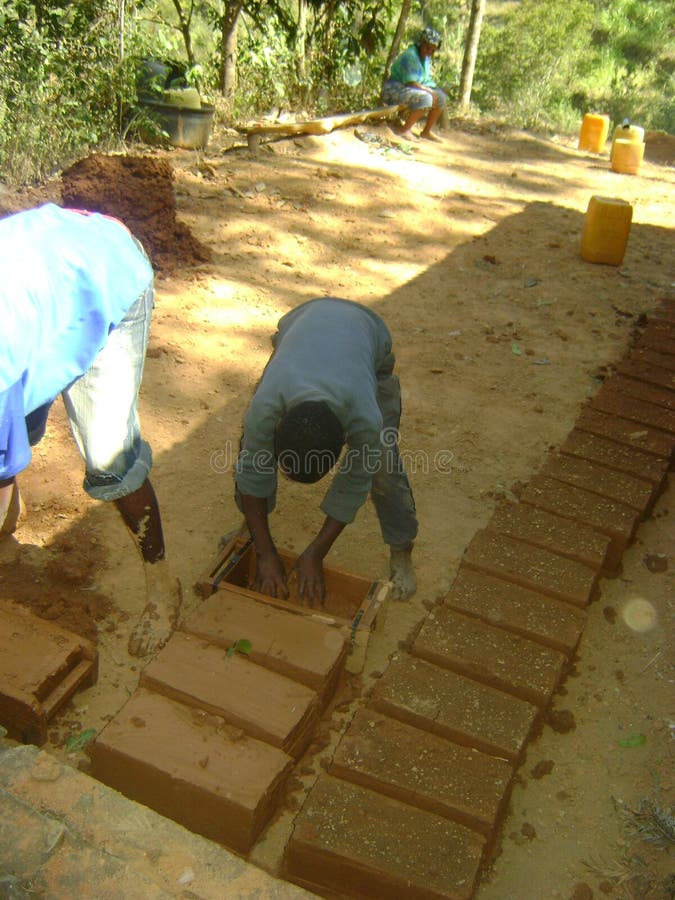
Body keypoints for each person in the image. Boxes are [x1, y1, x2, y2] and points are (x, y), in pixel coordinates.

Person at [0, 203, 180, 657]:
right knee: (19, 421)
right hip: (48, 284)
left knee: (110, 460)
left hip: (105, 276)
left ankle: (162, 588)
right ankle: (8, 522)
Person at [234, 297, 418, 605]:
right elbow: (253, 467)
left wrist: (315, 554)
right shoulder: (266, 406)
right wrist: (265, 553)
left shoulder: (365, 419)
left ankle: (402, 548)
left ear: (346, 438)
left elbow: (354, 483)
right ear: (279, 423)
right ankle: (253, 529)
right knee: (251, 445)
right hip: (302, 322)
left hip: (367, 332)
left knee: (382, 465)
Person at [382, 26, 446, 142]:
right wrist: (429, 91)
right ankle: (404, 130)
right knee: (427, 98)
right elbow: (411, 82)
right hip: (394, 89)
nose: (429, 52)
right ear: (421, 43)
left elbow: (426, 80)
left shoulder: (425, 58)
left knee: (441, 97)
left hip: (409, 89)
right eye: (427, 48)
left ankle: (426, 132)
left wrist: (434, 91)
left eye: (432, 50)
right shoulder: (411, 56)